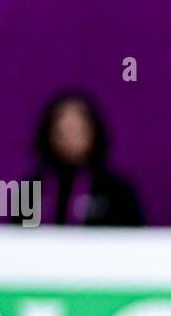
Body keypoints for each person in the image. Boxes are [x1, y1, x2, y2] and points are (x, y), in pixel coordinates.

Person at [26, 92, 143, 227]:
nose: (70, 139)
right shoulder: (30, 191)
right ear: (50, 134)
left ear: (93, 132)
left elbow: (134, 242)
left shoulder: (118, 193)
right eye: (63, 131)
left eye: (77, 131)